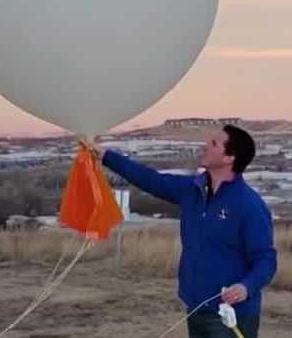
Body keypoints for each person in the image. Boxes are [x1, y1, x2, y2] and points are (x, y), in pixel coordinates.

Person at [90, 125, 277, 338]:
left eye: (214, 143)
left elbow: (266, 259)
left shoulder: (249, 205)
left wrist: (245, 287)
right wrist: (106, 156)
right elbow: (151, 180)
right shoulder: (192, 190)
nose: (204, 146)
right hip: (196, 305)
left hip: (232, 314)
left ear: (229, 158)